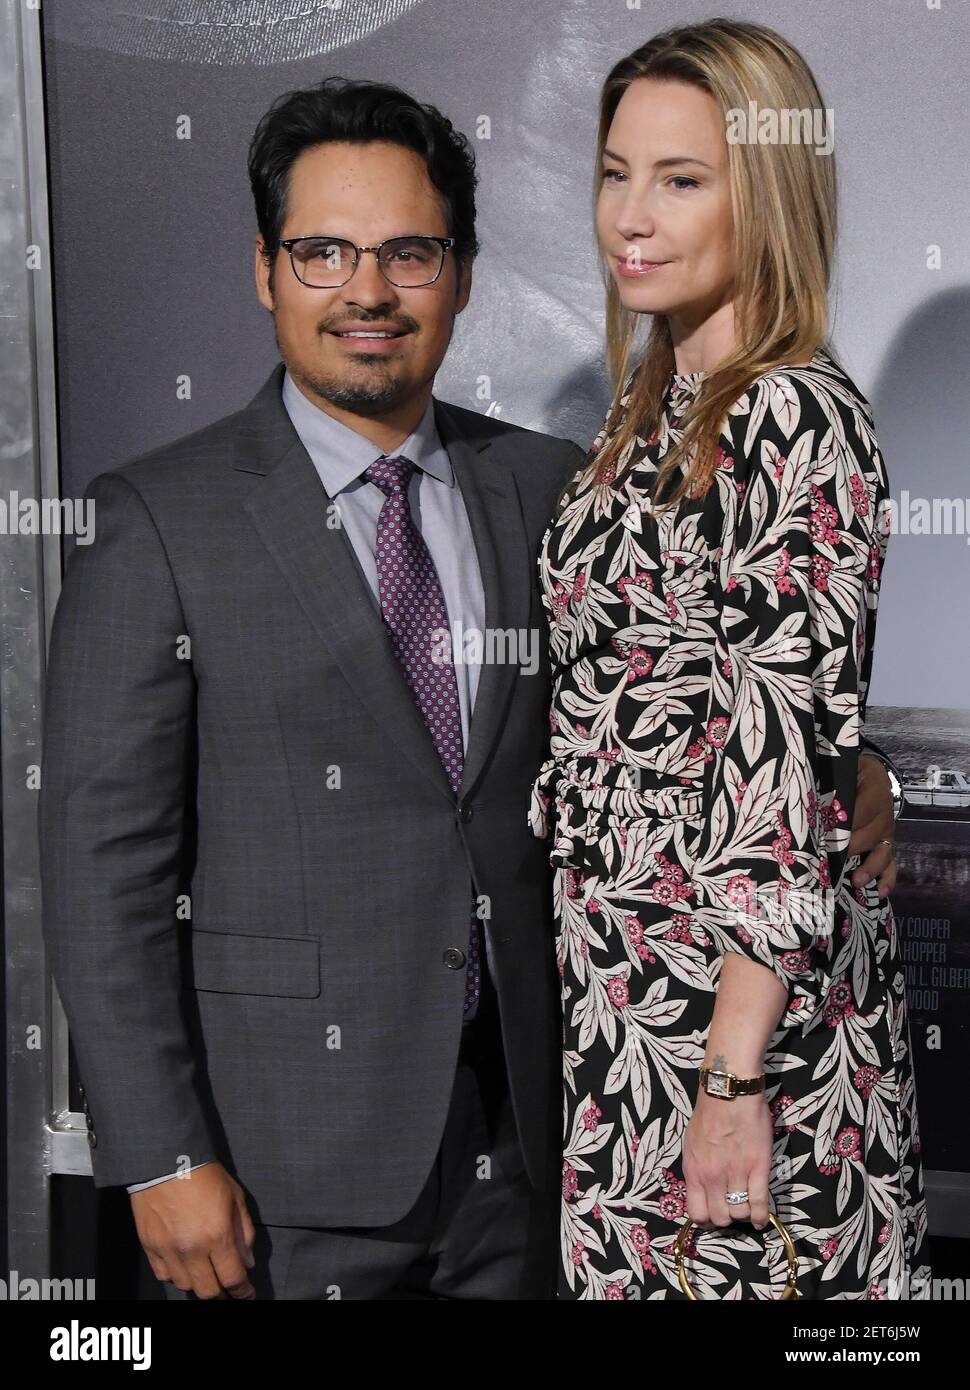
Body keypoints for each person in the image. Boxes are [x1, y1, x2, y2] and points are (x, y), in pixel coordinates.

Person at [39, 75, 899, 1303]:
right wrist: (158, 1154)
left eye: (409, 251)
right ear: (264, 270)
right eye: (323, 252)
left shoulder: (555, 488)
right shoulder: (158, 522)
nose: (369, 292)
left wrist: (841, 768)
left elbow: (700, 681)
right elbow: (97, 869)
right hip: (283, 1174)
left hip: (550, 1143)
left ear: (462, 270)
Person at [529, 19, 929, 1300]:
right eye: (613, 171)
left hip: (737, 1033)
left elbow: (768, 779)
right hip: (633, 1010)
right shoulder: (653, 406)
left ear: (767, 195)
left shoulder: (791, 415)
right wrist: (847, 756)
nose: (628, 216)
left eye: (680, 178)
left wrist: (731, 1081)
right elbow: (721, 690)